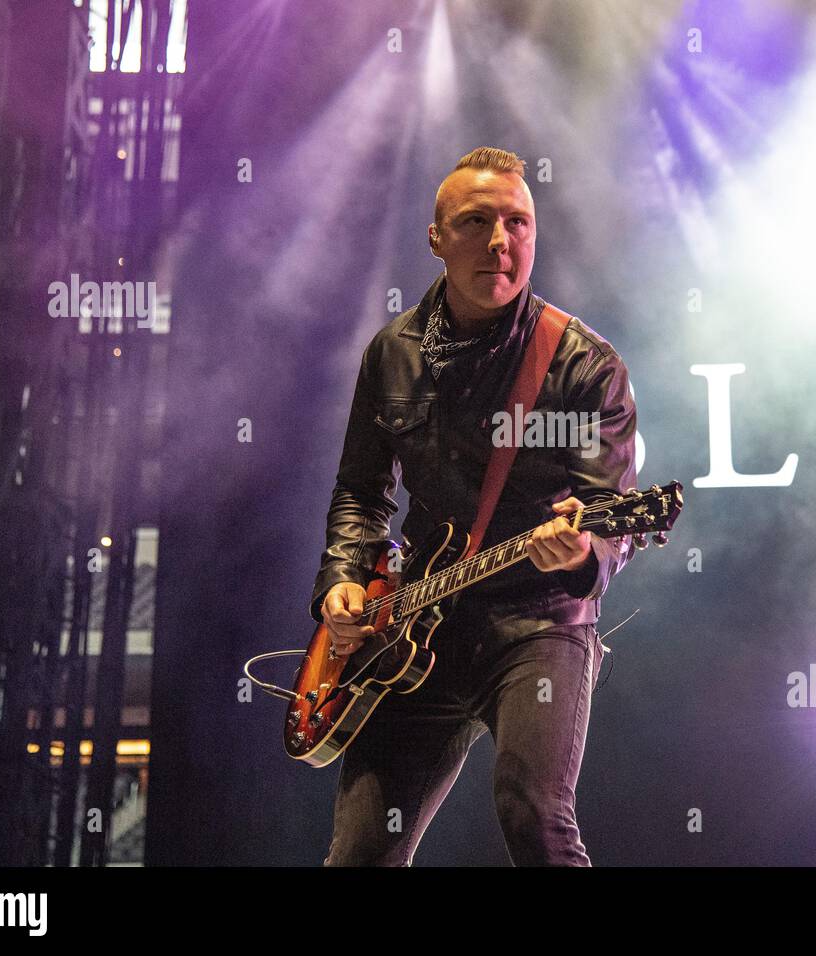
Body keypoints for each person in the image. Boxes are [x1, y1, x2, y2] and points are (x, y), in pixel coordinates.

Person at [310, 146, 637, 865]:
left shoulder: (584, 364)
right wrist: (342, 579)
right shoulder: (390, 354)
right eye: (477, 220)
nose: (500, 240)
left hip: (539, 619)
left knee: (534, 816)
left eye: (518, 222)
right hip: (422, 620)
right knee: (359, 852)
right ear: (436, 239)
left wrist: (586, 549)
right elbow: (362, 492)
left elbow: (610, 513)